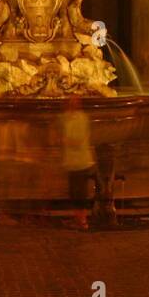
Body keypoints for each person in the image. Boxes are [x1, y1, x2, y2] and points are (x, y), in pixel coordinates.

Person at [59, 99, 95, 230]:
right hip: (74, 161)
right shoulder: (72, 117)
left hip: (80, 161)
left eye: (70, 103)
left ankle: (82, 221)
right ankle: (78, 219)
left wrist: (64, 140)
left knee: (79, 192)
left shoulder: (80, 119)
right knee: (75, 192)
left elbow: (78, 141)